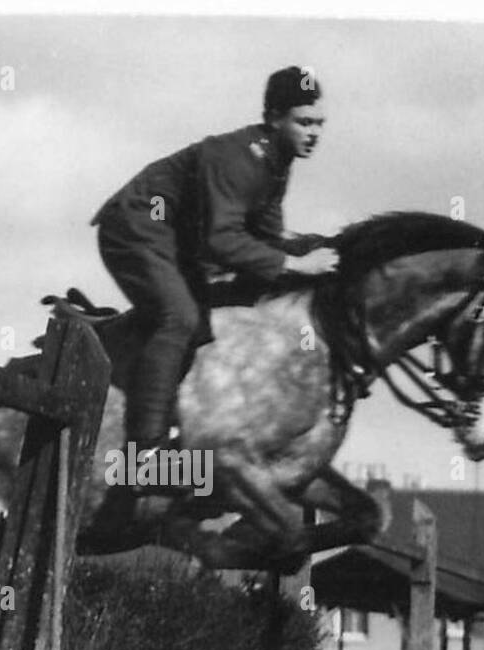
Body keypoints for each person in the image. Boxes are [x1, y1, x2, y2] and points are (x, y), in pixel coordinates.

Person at [92, 66, 339, 469]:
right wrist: (298, 264)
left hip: (170, 240)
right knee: (180, 319)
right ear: (274, 118)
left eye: (320, 124)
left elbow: (264, 240)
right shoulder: (239, 159)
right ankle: (144, 455)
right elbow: (221, 241)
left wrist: (316, 249)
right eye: (304, 122)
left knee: (223, 310)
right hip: (135, 227)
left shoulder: (276, 163)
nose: (314, 133)